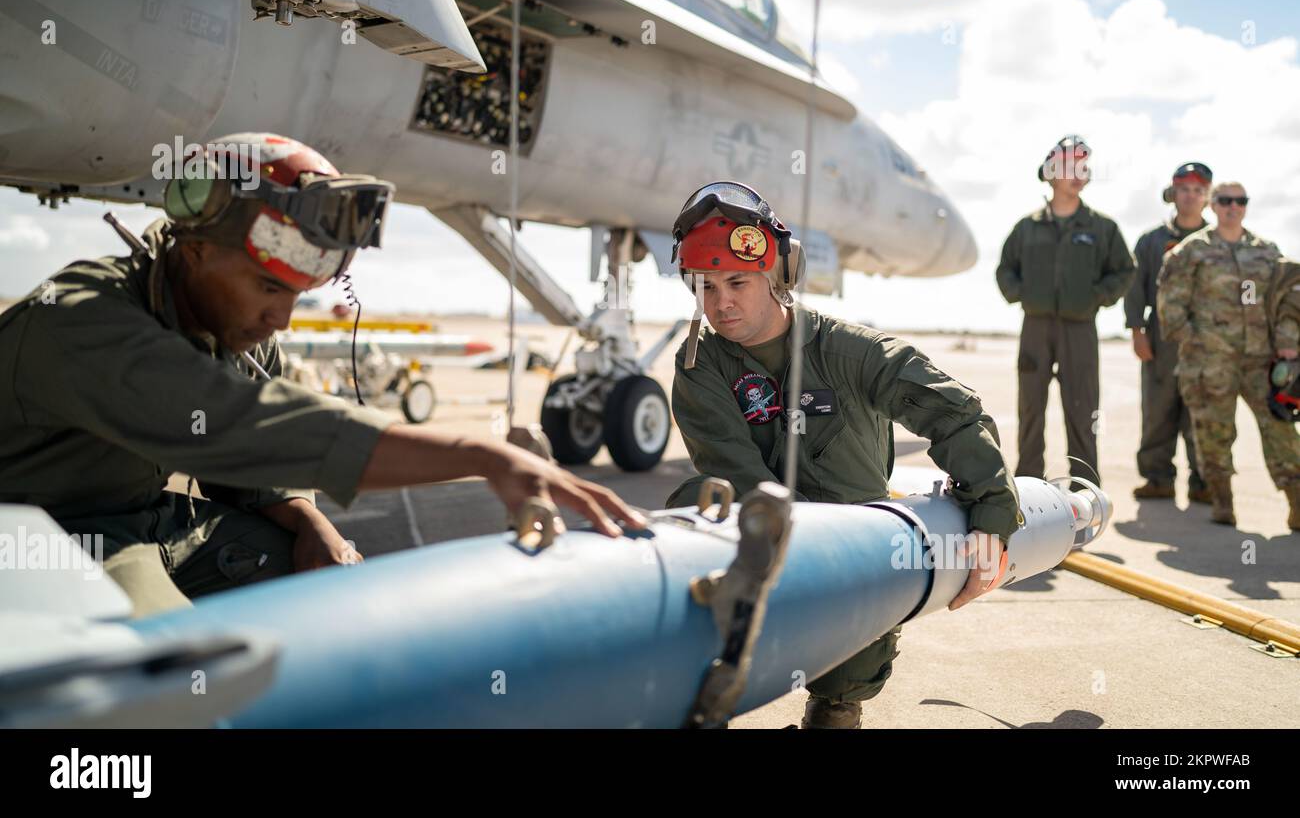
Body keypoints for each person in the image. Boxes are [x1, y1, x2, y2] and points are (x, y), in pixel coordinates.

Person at [0, 133, 644, 617]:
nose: (280, 318)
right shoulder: (83, 319)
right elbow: (245, 426)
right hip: (40, 536)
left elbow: (255, 474)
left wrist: (311, 522)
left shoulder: (227, 325)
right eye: (267, 287)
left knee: (322, 582)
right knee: (168, 668)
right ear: (193, 251)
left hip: (144, 520)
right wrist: (481, 455)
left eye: (297, 295)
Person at [666, 182, 1023, 729]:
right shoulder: (701, 365)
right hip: (763, 544)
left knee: (847, 679)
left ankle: (835, 706)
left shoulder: (854, 353)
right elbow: (734, 474)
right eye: (706, 286)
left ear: (778, 275)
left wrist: (992, 516)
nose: (721, 303)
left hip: (854, 553)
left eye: (737, 282)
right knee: (692, 505)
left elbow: (954, 415)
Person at [1157, 181, 1300, 528]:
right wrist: (1197, 342)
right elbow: (1170, 304)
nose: (1233, 207)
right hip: (1210, 362)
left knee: (1280, 428)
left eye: (1240, 201)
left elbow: (1289, 298)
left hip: (1261, 361)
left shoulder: (1267, 251)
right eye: (1225, 200)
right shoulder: (1192, 251)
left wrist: (1288, 341)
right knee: (1213, 432)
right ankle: (1222, 500)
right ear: (1213, 204)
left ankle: (1297, 499)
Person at [996, 136, 1135, 485]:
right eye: (1069, 166)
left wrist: (1095, 297)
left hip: (1080, 329)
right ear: (1050, 173)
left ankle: (1085, 486)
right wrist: (1023, 295)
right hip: (1036, 328)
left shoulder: (1101, 227)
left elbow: (1124, 270)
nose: (1078, 173)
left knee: (1083, 410)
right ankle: (1029, 483)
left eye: (1082, 167)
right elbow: (1005, 269)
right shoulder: (1027, 227)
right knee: (1031, 409)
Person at [1123, 162, 1212, 503]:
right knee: (1158, 411)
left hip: (1206, 340)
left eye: (1198, 191)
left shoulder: (1216, 241)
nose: (1190, 196)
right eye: (1184, 189)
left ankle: (1204, 482)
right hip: (1160, 339)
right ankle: (1158, 478)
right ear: (1173, 194)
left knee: (1201, 412)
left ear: (1207, 197)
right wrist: (1137, 331)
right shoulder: (1151, 241)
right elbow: (1134, 288)